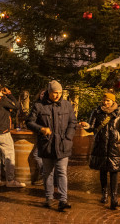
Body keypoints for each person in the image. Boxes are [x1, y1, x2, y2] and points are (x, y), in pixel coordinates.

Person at [26, 80, 76, 212]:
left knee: (62, 172)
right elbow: (29, 122)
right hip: (47, 144)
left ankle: (63, 200)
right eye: (55, 93)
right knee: (48, 172)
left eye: (59, 93)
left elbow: (72, 122)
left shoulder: (67, 105)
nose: (57, 95)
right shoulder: (39, 106)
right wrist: (41, 129)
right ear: (49, 92)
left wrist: (68, 138)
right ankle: (49, 198)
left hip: (63, 144)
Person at [80, 91, 120, 210]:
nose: (106, 102)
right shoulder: (96, 112)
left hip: (114, 147)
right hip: (100, 145)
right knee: (103, 171)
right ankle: (104, 194)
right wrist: (86, 126)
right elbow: (91, 127)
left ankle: (114, 198)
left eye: (108, 100)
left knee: (114, 172)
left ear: (113, 101)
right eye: (104, 100)